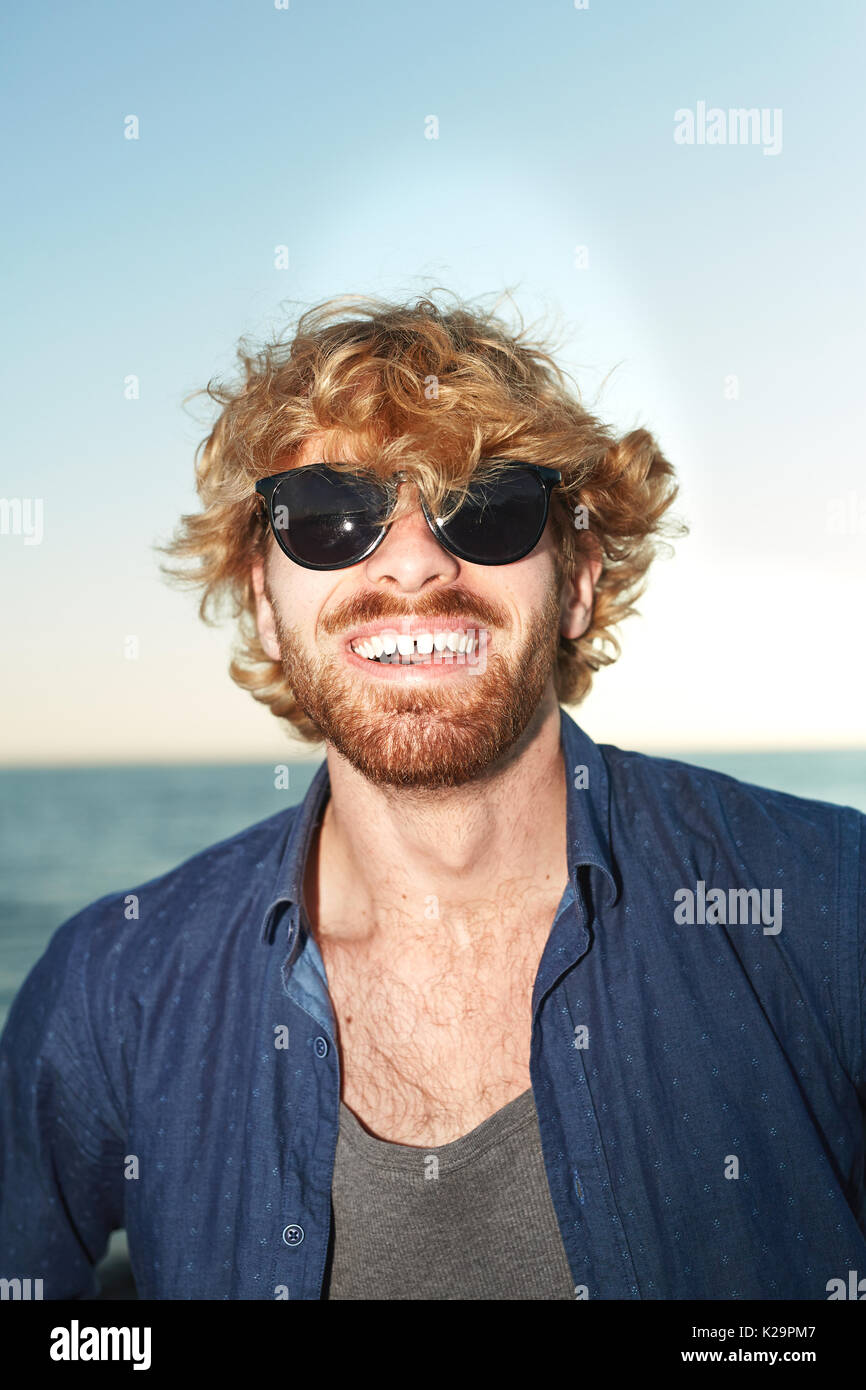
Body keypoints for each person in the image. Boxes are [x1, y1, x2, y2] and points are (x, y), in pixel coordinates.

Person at [1, 291, 864, 1301]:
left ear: (578, 578)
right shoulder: (116, 988)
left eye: (486, 506)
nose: (411, 561)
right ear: (263, 607)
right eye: (329, 516)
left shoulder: (825, 906)